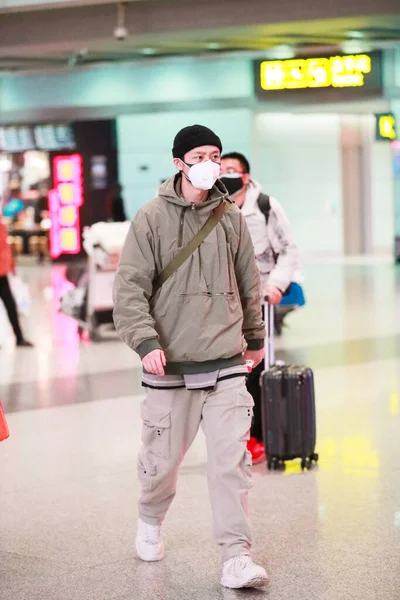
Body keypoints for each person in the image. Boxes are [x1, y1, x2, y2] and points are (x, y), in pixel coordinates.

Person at [113, 125, 269, 589]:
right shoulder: (150, 218)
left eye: (216, 154)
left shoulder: (230, 216)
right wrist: (145, 342)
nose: (211, 163)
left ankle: (236, 557)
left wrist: (254, 337)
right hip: (170, 364)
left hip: (224, 360)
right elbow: (130, 288)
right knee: (161, 463)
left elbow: (248, 280)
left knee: (230, 462)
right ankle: (150, 518)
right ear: (179, 162)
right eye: (199, 155)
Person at [220, 152, 300, 464]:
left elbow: (289, 249)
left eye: (230, 169)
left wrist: (277, 285)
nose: (223, 173)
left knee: (256, 368)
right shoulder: (215, 206)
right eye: (220, 168)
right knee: (229, 371)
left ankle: (260, 437)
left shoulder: (265, 205)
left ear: (245, 176)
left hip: (260, 299)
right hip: (225, 303)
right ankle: (236, 437)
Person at [0, 219, 33, 348]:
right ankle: (19, 338)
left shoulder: (1, 226)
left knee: (10, 305)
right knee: (10, 305)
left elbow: (5, 248)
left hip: (2, 272)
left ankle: (19, 337)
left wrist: (11, 266)